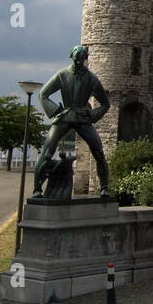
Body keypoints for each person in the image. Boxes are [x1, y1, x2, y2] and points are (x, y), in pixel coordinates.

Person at [33, 44, 110, 195]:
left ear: (85, 59)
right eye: (76, 59)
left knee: (99, 153)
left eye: (81, 60)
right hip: (65, 116)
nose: (78, 63)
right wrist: (56, 111)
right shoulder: (62, 75)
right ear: (72, 57)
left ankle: (104, 188)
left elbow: (105, 104)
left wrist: (93, 115)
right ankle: (37, 189)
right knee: (47, 151)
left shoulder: (92, 79)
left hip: (82, 118)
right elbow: (43, 95)